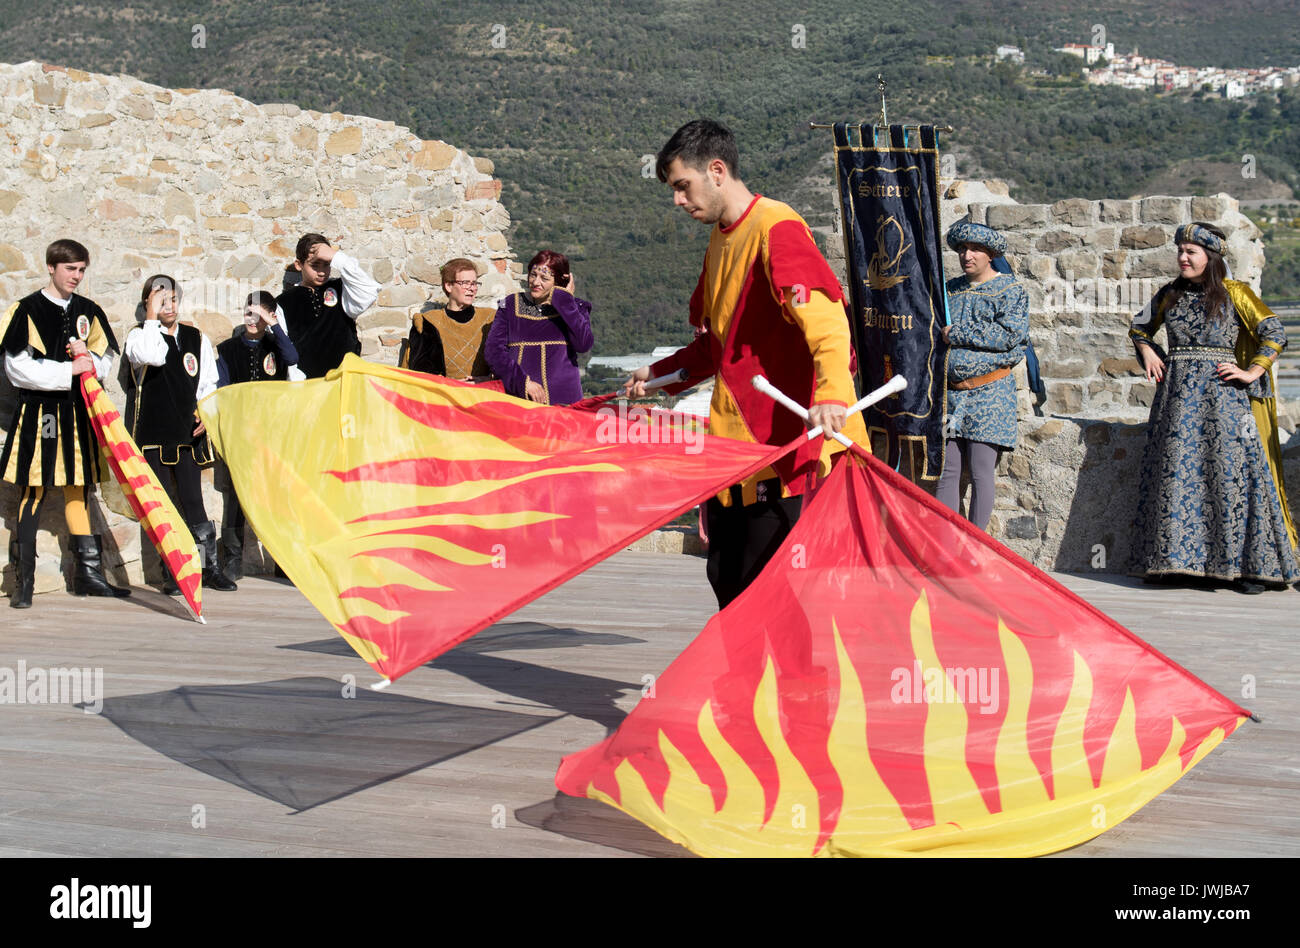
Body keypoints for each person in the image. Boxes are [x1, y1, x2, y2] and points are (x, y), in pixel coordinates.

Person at [623, 119, 865, 609]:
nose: (678, 200)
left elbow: (829, 326)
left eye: (682, 186)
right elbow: (719, 347)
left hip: (781, 449)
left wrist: (833, 398)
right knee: (728, 582)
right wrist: (659, 373)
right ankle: (745, 687)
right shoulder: (720, 241)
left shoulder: (777, 228)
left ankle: (793, 687)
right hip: (733, 451)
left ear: (716, 170)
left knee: (771, 596)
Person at [1129, 221, 1298, 593]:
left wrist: (1252, 371)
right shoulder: (1169, 294)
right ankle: (1176, 565)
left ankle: (1241, 568)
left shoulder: (1235, 293)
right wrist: (1148, 351)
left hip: (1224, 399)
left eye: (1191, 251)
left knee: (1229, 476)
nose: (1182, 257)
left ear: (1211, 256)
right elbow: (1140, 327)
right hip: (1175, 402)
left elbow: (1274, 333)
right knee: (1177, 474)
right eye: (1180, 251)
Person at [1, 239, 130, 607]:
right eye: (70, 268)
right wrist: (67, 369)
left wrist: (90, 362)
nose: (77, 276)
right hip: (41, 413)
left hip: (77, 411)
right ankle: (23, 581)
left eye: (82, 269)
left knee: (79, 488)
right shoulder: (26, 310)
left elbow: (104, 359)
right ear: (51, 267)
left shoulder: (88, 309)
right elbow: (17, 368)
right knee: (34, 489)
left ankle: (88, 576)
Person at [123, 274, 236, 593]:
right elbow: (152, 356)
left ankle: (205, 566)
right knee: (162, 506)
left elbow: (208, 382)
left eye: (172, 298)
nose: (167, 305)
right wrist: (150, 316)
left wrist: (204, 411)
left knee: (193, 502)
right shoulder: (138, 336)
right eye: (160, 299)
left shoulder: (194, 337)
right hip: (153, 434)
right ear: (148, 302)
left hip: (186, 433)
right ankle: (172, 570)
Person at [935, 220, 1029, 530]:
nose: (967, 255)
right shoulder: (950, 290)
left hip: (989, 394)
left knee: (979, 470)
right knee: (948, 470)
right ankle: (946, 545)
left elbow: (1009, 336)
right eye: (962, 249)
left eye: (975, 249)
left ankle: (977, 546)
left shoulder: (1010, 290)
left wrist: (957, 333)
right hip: (952, 395)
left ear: (990, 254)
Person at [213, 291, 303, 583]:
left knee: (276, 497)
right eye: (250, 312)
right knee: (236, 499)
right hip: (241, 433)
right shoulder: (227, 349)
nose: (253, 319)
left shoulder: (277, 347)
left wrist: (272, 325)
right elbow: (223, 388)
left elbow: (292, 357)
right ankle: (232, 559)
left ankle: (282, 559)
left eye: (260, 314)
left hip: (272, 434)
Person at [485, 250, 593, 405]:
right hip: (520, 399)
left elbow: (583, 344)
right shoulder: (509, 305)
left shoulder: (576, 308)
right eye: (533, 275)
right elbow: (493, 351)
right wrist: (523, 383)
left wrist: (565, 301)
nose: (535, 282)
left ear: (560, 281)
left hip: (564, 403)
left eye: (544, 278)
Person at [276, 233, 379, 378]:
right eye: (315, 265)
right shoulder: (284, 302)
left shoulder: (343, 289)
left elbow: (369, 291)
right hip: (308, 386)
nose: (322, 272)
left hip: (345, 380)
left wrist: (336, 257)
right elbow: (284, 348)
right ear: (299, 265)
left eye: (326, 264)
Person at [402, 258, 497, 381]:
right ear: (449, 286)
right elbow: (422, 373)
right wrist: (453, 385)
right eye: (465, 283)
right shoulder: (428, 321)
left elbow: (507, 361)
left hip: (484, 394)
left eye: (474, 283)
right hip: (445, 396)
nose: (472, 288)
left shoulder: (490, 318)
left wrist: (488, 378)